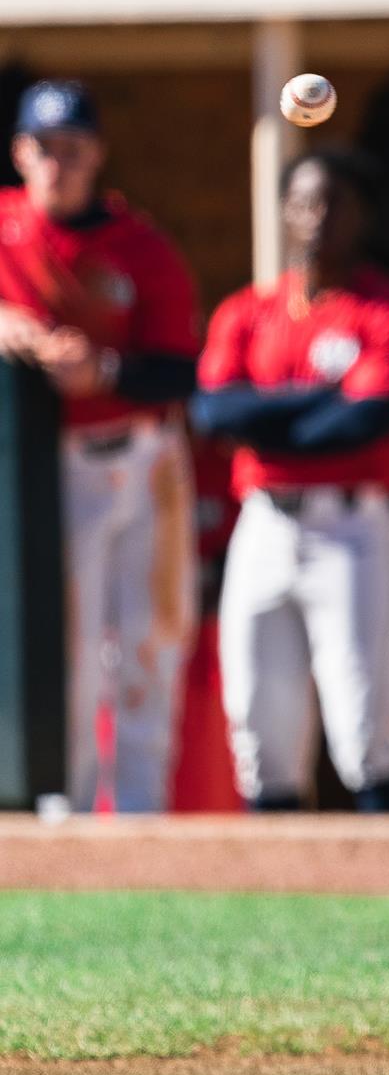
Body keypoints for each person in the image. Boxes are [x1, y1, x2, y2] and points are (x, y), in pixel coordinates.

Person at [190, 150, 389, 811]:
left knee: (364, 725)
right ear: (286, 213)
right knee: (258, 723)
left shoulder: (388, 307)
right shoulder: (248, 309)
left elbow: (370, 419)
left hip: (352, 524)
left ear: (361, 215)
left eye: (335, 202)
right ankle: (280, 896)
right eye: (305, 202)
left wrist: (266, 416)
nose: (319, 217)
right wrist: (320, 399)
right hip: (264, 522)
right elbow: (213, 410)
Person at [0, 79, 200, 812]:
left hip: (144, 457)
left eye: (73, 148)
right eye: (45, 148)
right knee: (70, 644)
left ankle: (143, 811)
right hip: (49, 467)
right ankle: (72, 806)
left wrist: (104, 369)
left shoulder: (138, 244)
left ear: (97, 155)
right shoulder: (4, 227)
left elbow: (182, 368)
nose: (59, 163)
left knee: (151, 637)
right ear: (21, 152)